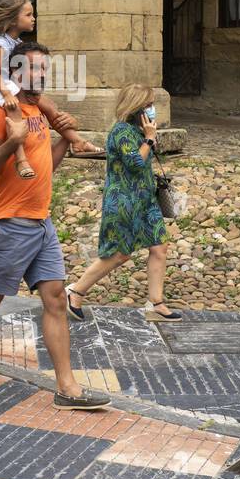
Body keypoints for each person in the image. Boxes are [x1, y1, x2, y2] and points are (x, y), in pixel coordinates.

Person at [0, 41, 111, 410]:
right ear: (13, 73)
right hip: (9, 223)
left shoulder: (39, 112)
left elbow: (46, 164)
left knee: (55, 300)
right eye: (32, 69)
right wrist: (12, 141)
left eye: (44, 70)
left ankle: (67, 388)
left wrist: (65, 138)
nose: (40, 76)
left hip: (41, 222)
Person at [66, 83, 183, 322]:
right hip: (123, 202)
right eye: (147, 105)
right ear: (135, 108)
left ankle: (156, 303)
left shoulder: (138, 131)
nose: (152, 110)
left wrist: (147, 136)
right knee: (119, 253)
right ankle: (75, 292)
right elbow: (135, 163)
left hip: (145, 201)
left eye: (152, 105)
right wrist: (150, 140)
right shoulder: (121, 132)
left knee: (159, 246)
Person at [0, 0, 101, 180]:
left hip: (9, 82)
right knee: (14, 109)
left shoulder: (16, 42)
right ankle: (21, 159)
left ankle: (76, 141)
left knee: (48, 105)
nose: (33, 18)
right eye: (28, 15)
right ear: (12, 20)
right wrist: (7, 94)